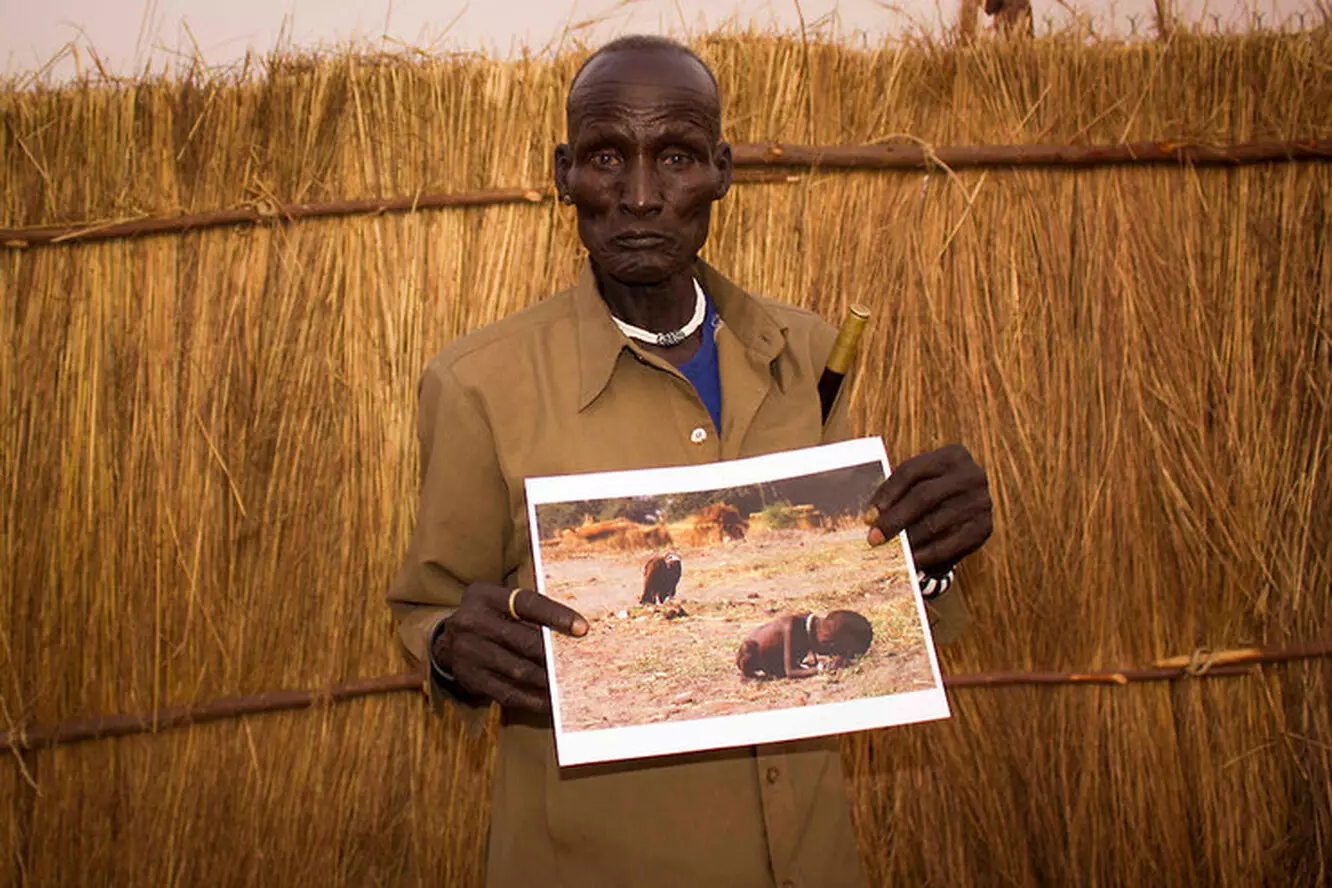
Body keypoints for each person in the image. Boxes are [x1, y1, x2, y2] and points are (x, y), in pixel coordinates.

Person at [386, 35, 993, 888]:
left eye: (673, 156)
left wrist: (927, 561)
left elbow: (848, 595)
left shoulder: (805, 358)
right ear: (564, 174)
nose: (639, 195)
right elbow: (427, 608)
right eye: (606, 157)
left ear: (721, 170)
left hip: (808, 855)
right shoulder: (478, 387)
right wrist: (450, 647)